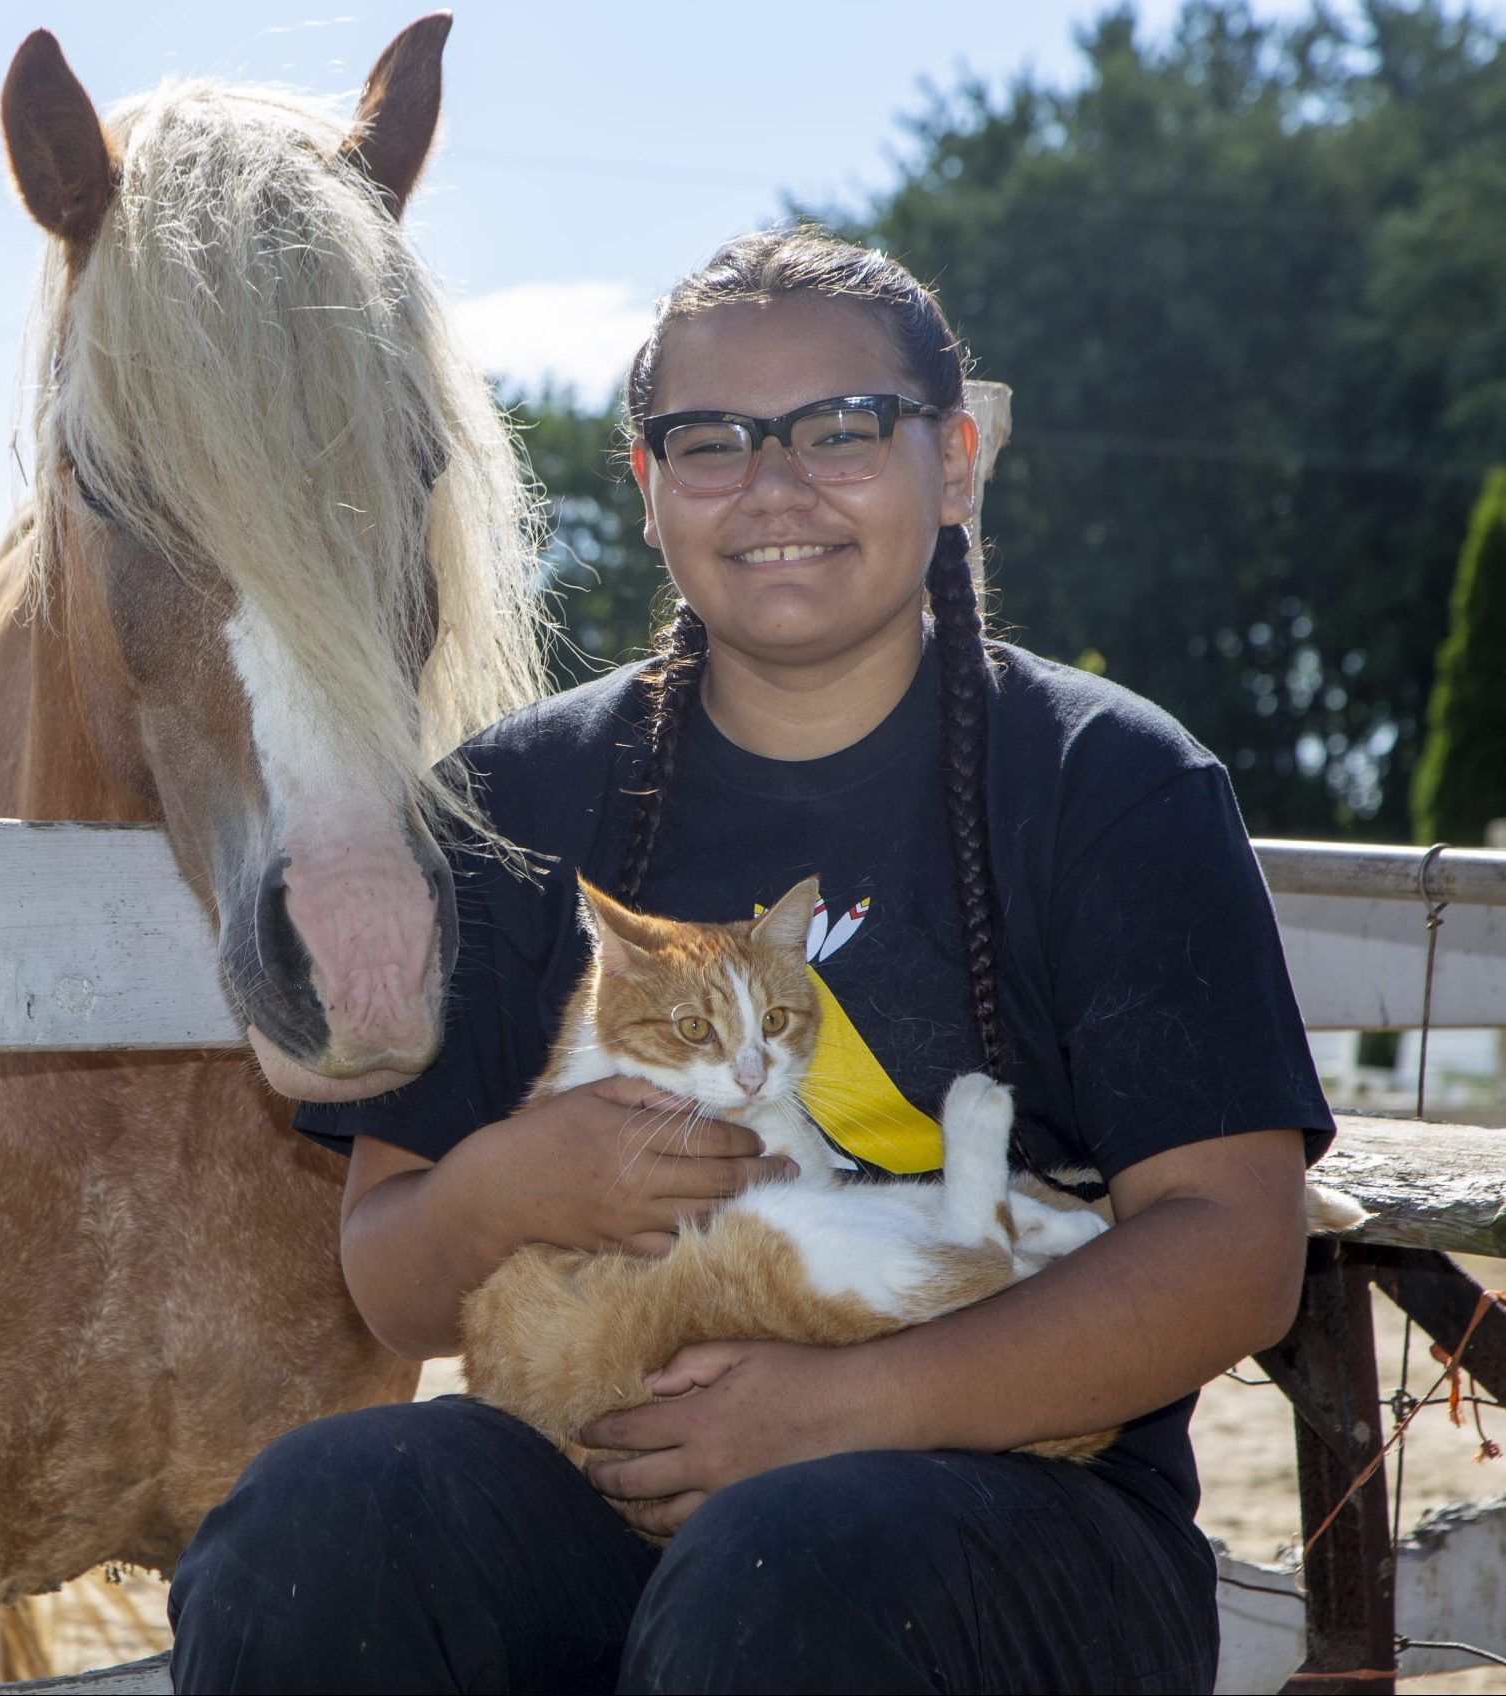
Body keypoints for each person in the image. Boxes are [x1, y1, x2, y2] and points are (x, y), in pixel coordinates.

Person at [166, 227, 1335, 1694]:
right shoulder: (514, 807)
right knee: (318, 1516)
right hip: (597, 1469)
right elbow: (397, 1285)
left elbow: (1235, 1256)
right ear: (649, 492)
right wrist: (499, 1186)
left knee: (786, 1566)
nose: (775, 486)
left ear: (956, 460)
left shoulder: (1110, 783)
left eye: (844, 430)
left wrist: (852, 1405)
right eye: (710, 441)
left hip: (1007, 1505)